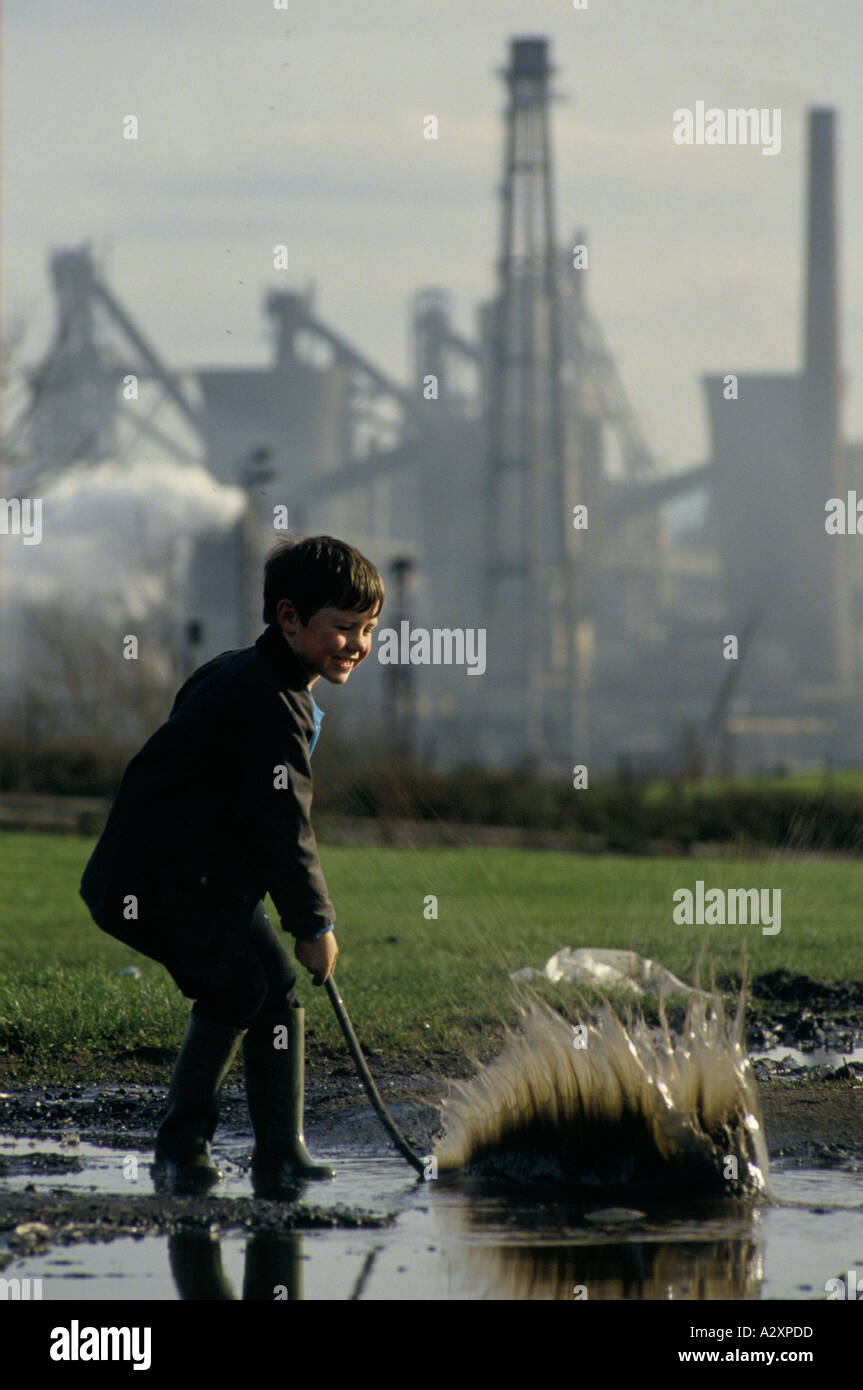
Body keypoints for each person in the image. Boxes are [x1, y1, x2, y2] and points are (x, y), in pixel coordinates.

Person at [79, 534, 384, 1197]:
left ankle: (281, 1152)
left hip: (205, 880)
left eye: (367, 629)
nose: (357, 644)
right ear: (288, 618)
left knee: (272, 986)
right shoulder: (268, 703)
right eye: (342, 628)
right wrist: (314, 924)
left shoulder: (245, 674)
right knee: (235, 990)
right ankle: (180, 1147)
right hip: (156, 884)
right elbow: (284, 830)